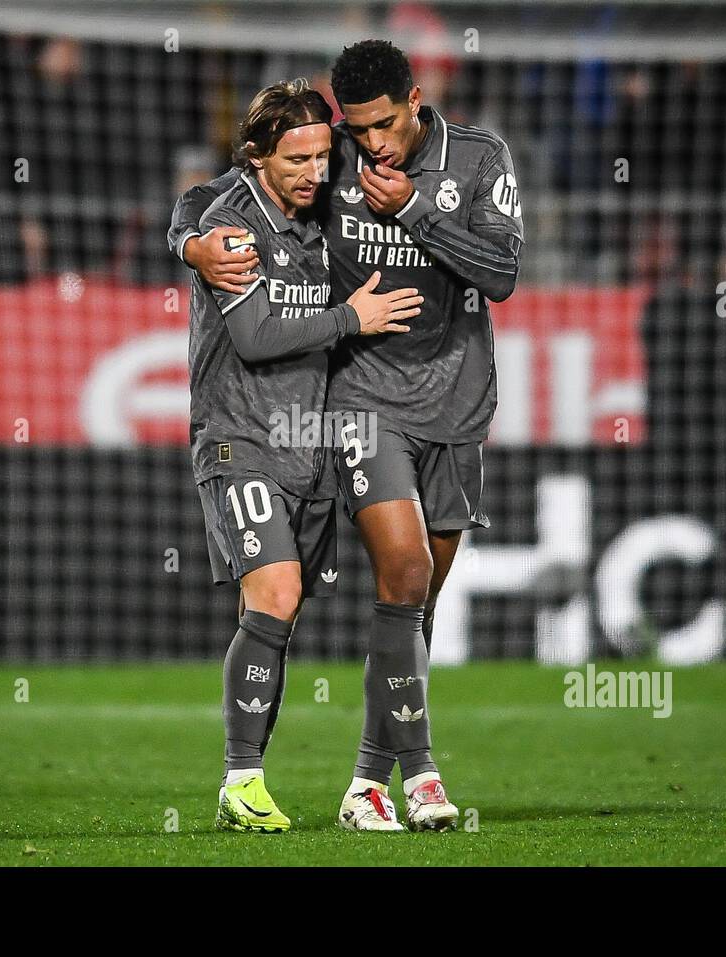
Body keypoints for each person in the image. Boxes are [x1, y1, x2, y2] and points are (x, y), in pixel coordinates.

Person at [171, 40, 524, 832]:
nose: (369, 146)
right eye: (354, 132)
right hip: (359, 404)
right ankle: (408, 772)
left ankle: (367, 782)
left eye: (380, 126)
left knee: (417, 595)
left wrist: (414, 211)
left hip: (457, 405)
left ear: (415, 98)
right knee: (386, 571)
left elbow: (500, 273)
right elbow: (218, 195)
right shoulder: (324, 174)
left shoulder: (475, 159)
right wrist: (188, 243)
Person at [188, 78, 422, 833]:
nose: (315, 171)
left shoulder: (325, 213)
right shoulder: (231, 227)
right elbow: (255, 338)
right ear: (256, 159)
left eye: (324, 155)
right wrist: (351, 317)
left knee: (275, 616)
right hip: (240, 439)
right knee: (277, 592)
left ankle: (248, 781)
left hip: (308, 447)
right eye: (297, 159)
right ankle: (240, 777)